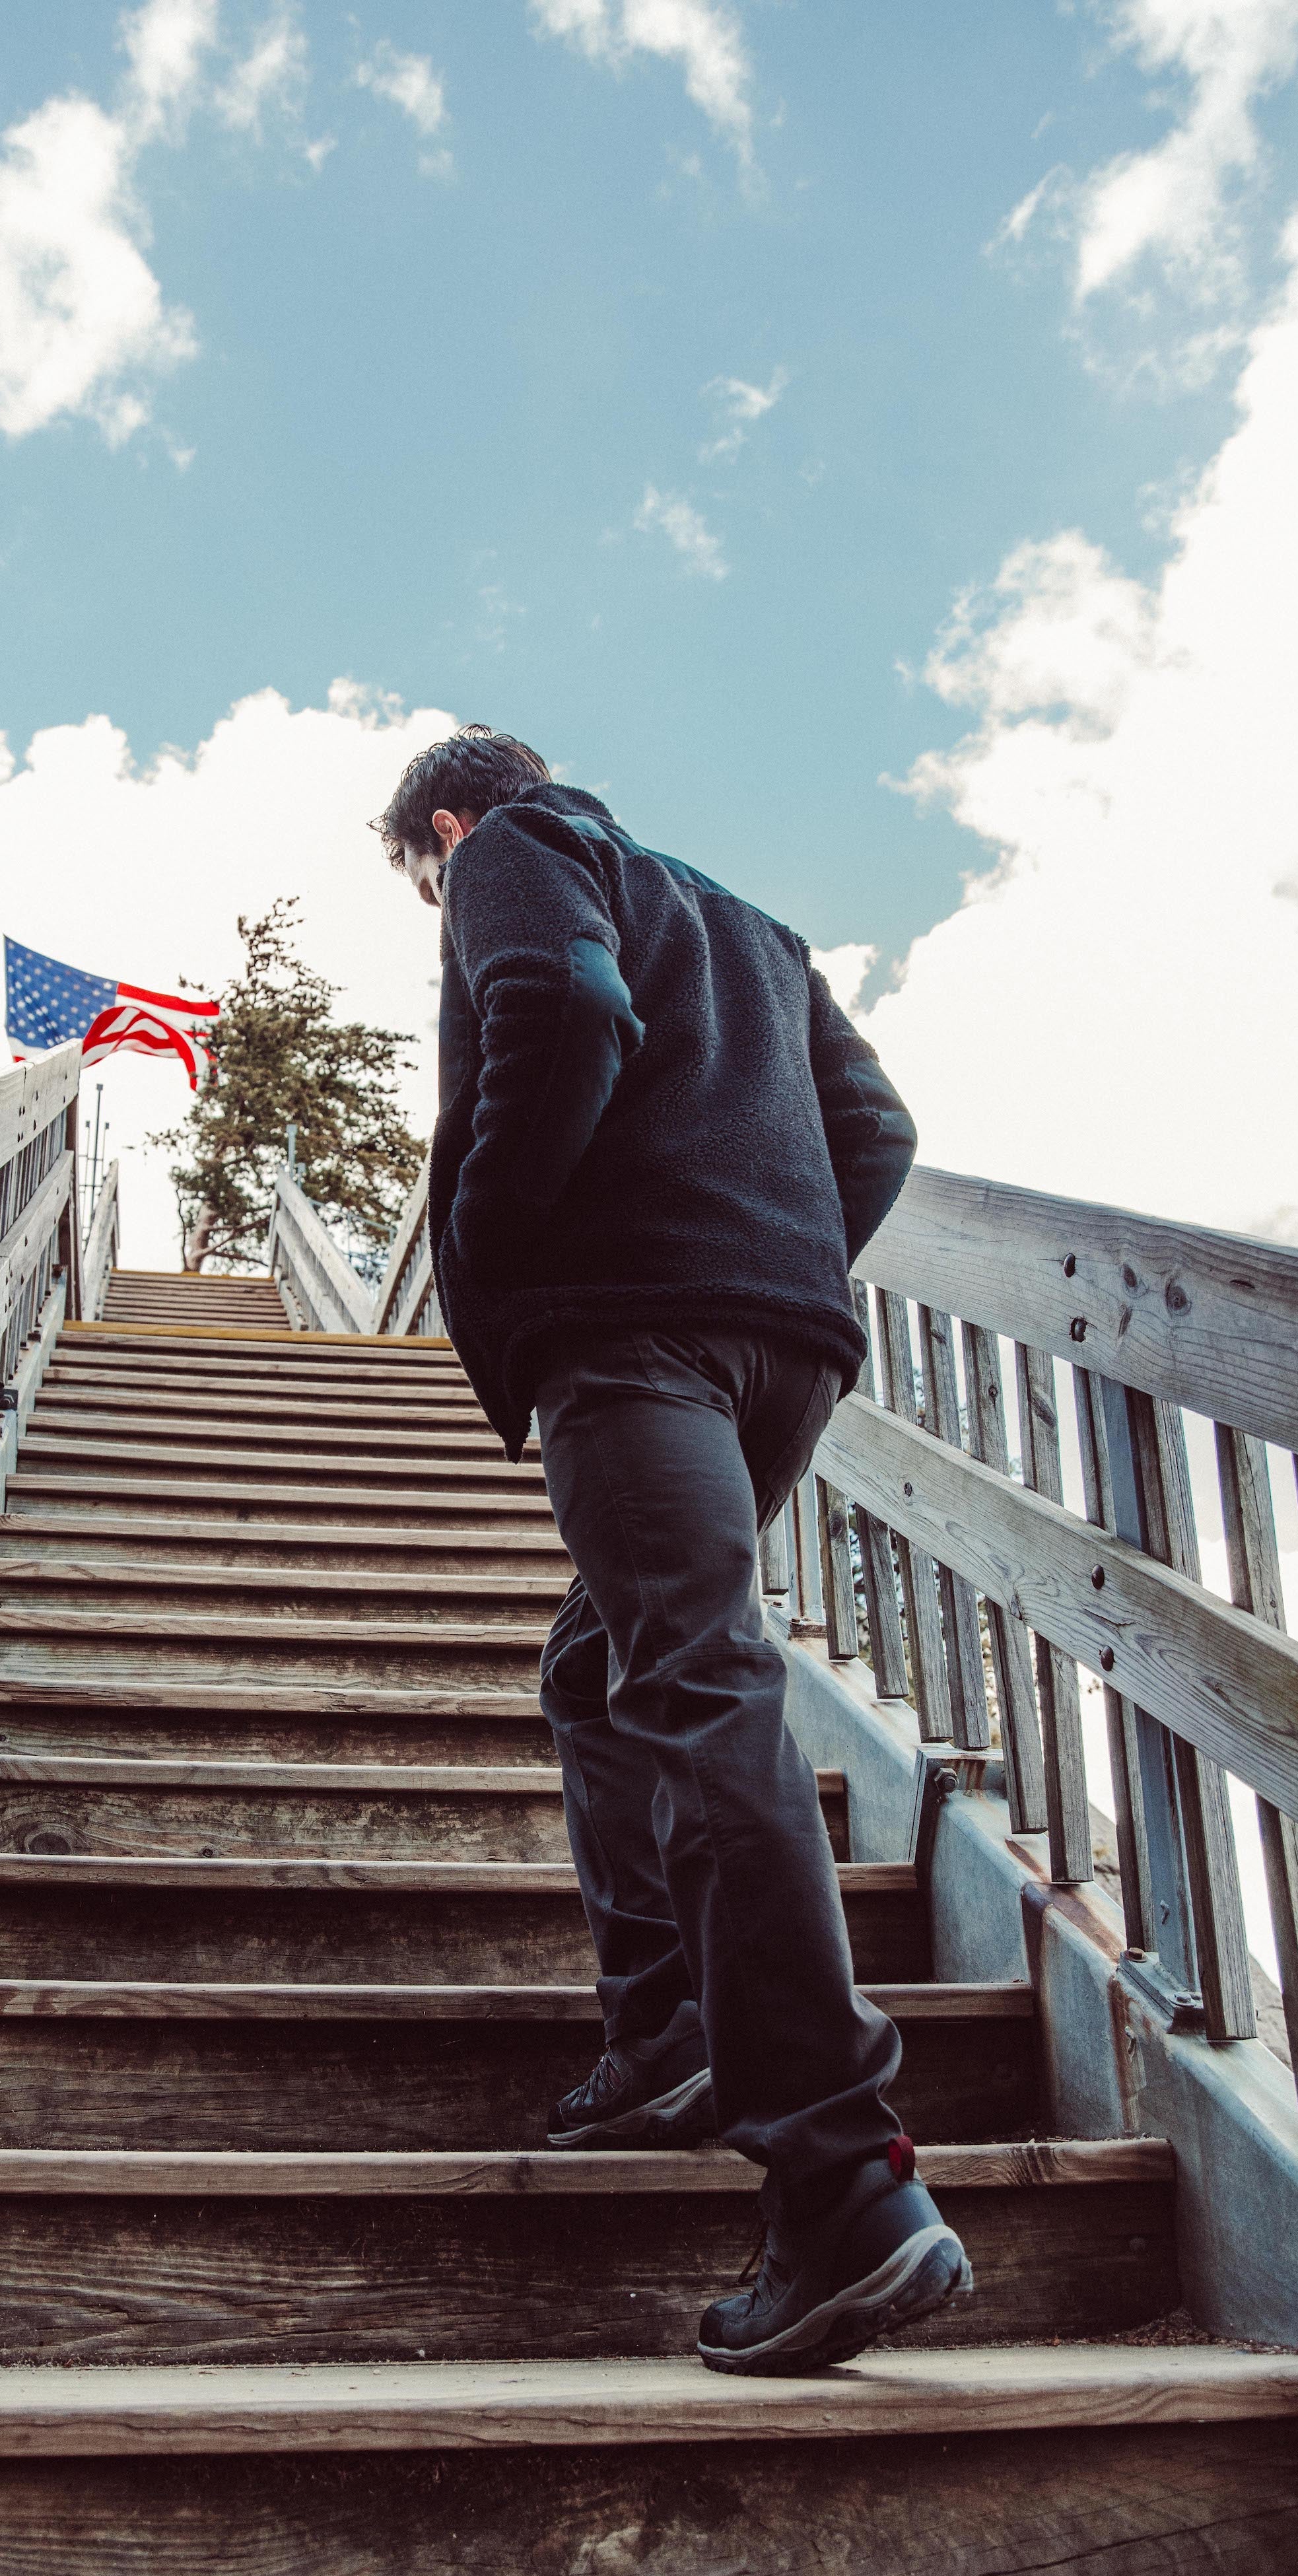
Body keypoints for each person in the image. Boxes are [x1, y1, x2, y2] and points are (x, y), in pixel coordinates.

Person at [373, 724, 973, 2376]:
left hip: (635, 1339)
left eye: (424, 879)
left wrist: (495, 1238)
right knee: (598, 1671)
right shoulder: (747, 924)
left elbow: (556, 1003)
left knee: (698, 1685)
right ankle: (669, 2022)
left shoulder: (509, 847)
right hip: (775, 1352)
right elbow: (878, 1129)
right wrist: (766, 1253)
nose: (442, 900)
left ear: (438, 824)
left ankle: (842, 2182)